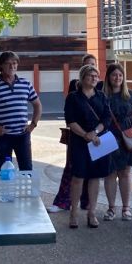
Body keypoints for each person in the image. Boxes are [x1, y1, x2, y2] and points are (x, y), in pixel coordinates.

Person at [63, 64, 115, 229]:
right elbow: (70, 120)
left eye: (96, 75)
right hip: (79, 141)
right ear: (82, 77)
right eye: (91, 75)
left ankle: (91, 212)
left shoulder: (101, 96)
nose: (94, 78)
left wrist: (94, 132)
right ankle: (74, 213)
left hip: (98, 141)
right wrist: (86, 135)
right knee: (78, 177)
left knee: (95, 177)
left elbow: (106, 118)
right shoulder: (73, 97)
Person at [0, 51, 42, 171]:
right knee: (5, 171)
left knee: (26, 169)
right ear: (1, 66)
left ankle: (26, 190)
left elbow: (37, 105)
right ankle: (6, 190)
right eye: (8, 63)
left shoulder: (25, 84)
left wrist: (33, 124)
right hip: (2, 136)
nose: (12, 66)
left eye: (15, 63)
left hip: (22, 135)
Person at [52, 54, 99, 211]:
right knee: (72, 169)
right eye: (87, 66)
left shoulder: (101, 85)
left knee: (92, 170)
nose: (91, 68)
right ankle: (64, 202)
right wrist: (84, 132)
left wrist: (95, 132)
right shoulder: (74, 85)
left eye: (93, 65)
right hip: (77, 135)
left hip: (96, 136)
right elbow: (72, 112)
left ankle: (86, 203)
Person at [102, 63, 132, 221]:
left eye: (120, 75)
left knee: (126, 172)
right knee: (110, 172)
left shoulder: (131, 95)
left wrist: (124, 127)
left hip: (126, 135)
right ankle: (111, 208)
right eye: (114, 75)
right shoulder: (102, 95)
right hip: (108, 135)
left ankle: (126, 208)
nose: (117, 78)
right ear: (108, 77)